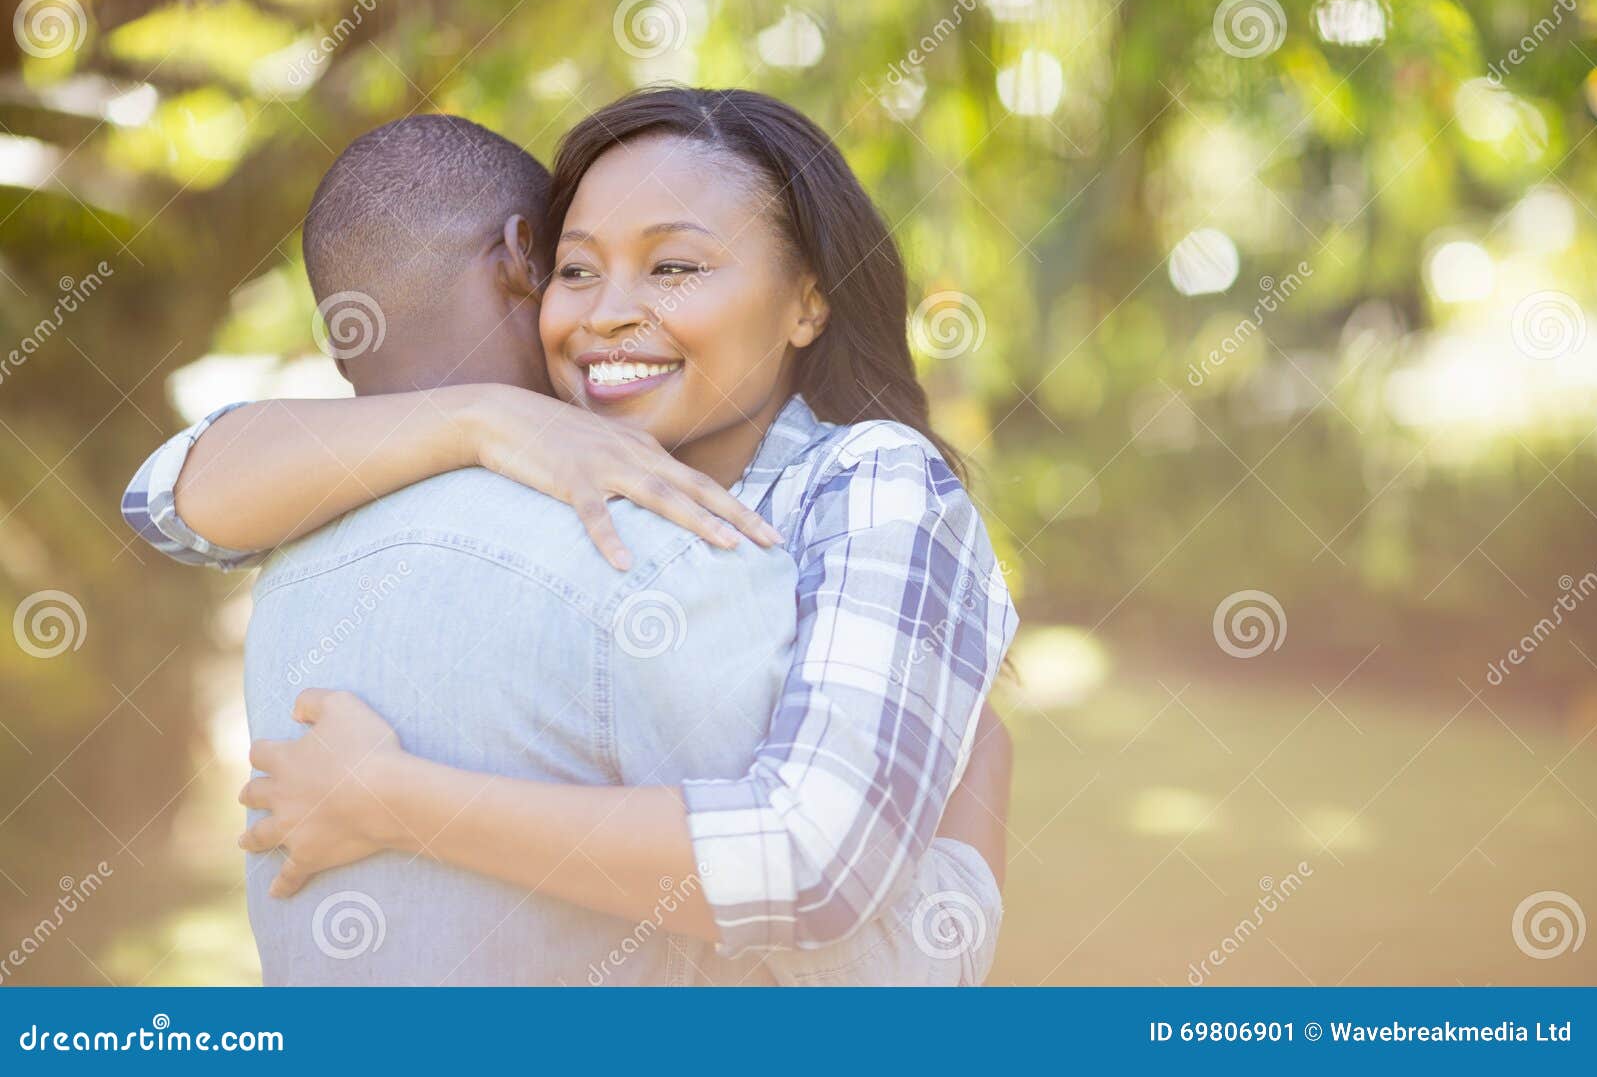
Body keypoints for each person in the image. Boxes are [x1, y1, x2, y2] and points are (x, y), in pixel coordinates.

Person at [123, 92, 1016, 985]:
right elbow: (170, 496)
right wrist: (480, 416)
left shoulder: (867, 479)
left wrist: (394, 799)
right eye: (579, 271)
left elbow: (815, 863)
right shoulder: (541, 463)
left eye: (674, 267)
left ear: (806, 304)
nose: (608, 313)